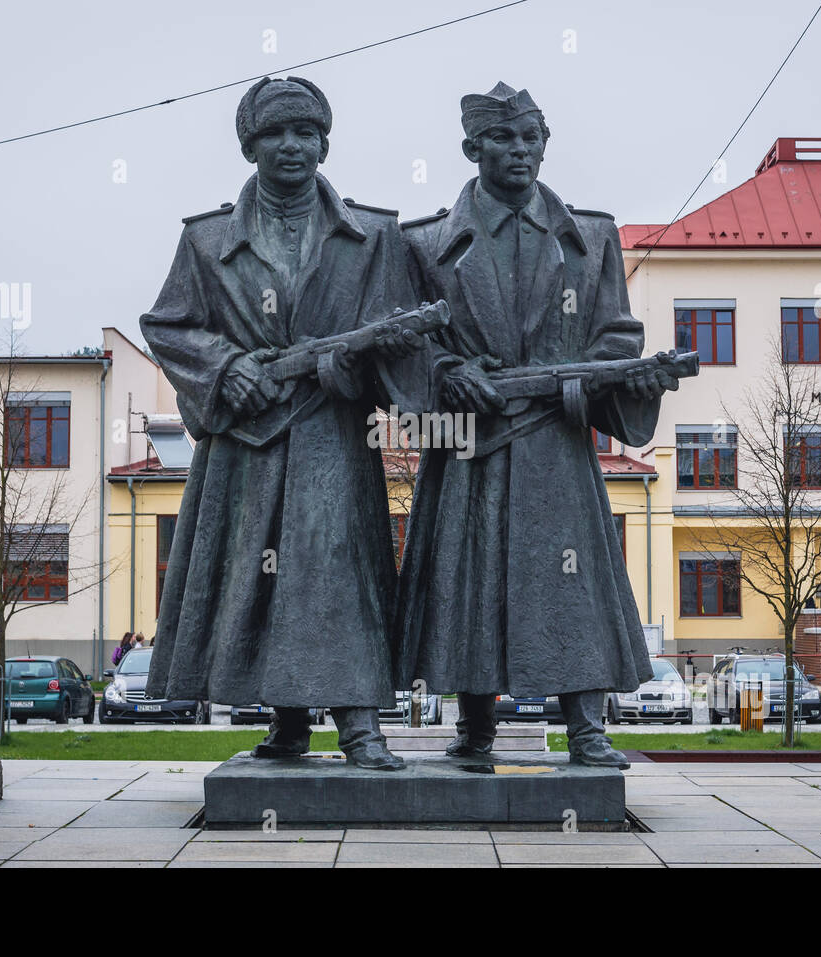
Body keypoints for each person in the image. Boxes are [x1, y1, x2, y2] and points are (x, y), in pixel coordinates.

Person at [141, 76, 431, 770]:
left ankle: (361, 725)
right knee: (261, 581)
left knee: (337, 574)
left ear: (325, 141)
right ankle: (288, 721)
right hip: (248, 445)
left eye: (306, 132)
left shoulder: (373, 236)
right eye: (276, 132)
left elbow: (402, 349)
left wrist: (350, 372)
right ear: (250, 144)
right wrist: (223, 368)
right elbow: (170, 325)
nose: (293, 145)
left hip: (331, 434)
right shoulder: (208, 241)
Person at [395, 83, 677, 769]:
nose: (519, 151)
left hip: (555, 443)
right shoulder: (427, 244)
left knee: (570, 587)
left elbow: (614, 335)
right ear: (472, 147)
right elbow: (405, 344)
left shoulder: (592, 238)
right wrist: (446, 371)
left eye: (530, 138)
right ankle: (475, 730)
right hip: (472, 448)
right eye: (503, 138)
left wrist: (622, 375)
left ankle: (586, 728)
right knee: (471, 589)